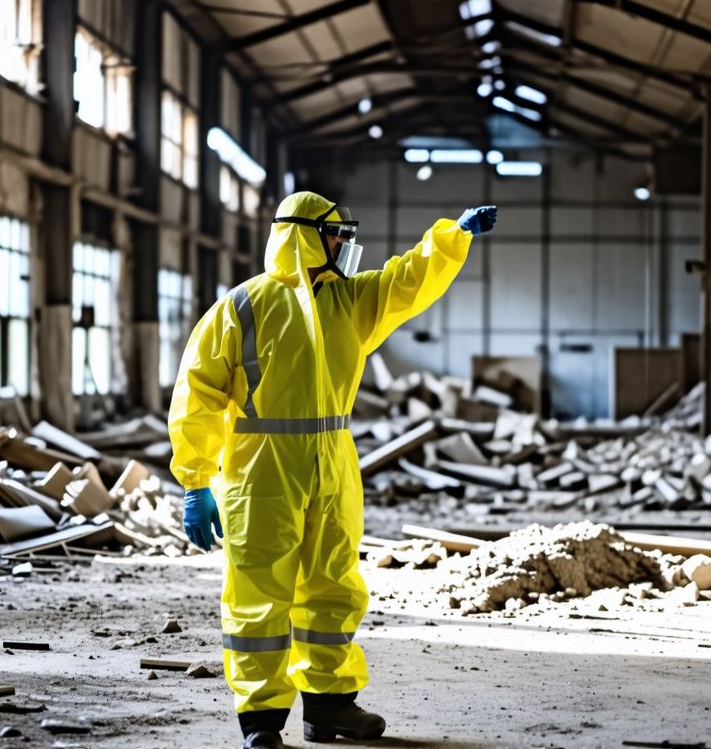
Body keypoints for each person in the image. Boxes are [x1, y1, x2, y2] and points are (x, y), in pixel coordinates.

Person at [169, 191, 496, 749]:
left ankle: (330, 707)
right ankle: (261, 721)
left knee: (333, 587)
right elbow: (196, 395)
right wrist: (196, 480)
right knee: (258, 591)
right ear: (304, 236)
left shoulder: (350, 301)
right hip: (260, 467)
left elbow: (406, 280)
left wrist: (452, 237)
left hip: (333, 460)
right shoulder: (242, 307)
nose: (346, 246)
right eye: (337, 235)